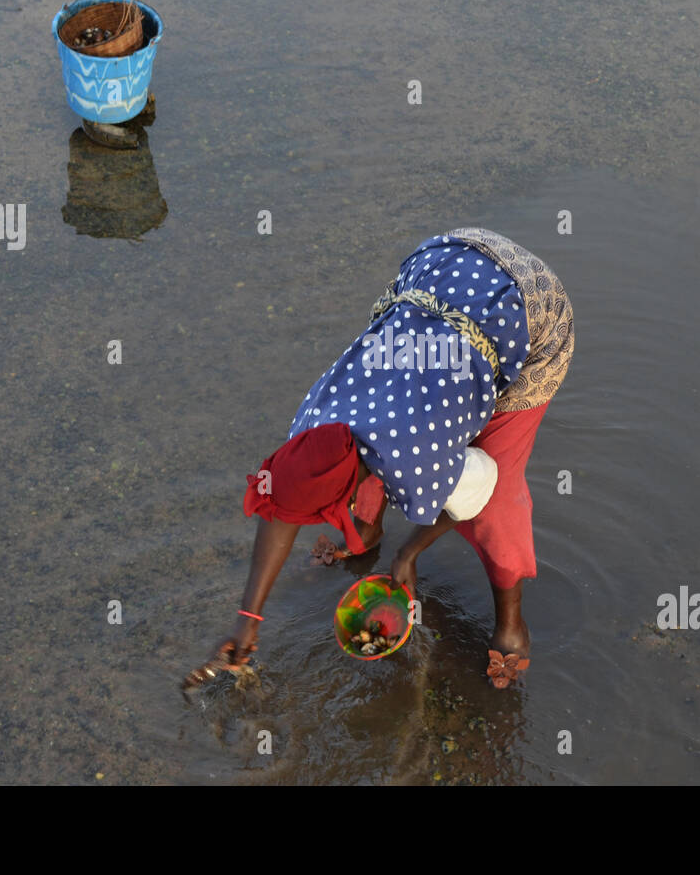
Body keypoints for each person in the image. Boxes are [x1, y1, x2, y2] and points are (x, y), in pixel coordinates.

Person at [192, 228, 573, 689]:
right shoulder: (312, 424)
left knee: (498, 489)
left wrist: (408, 553)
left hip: (528, 306)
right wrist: (247, 619)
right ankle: (366, 528)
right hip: (447, 265)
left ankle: (512, 623)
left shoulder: (415, 459)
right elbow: (280, 504)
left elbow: (483, 489)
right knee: (392, 451)